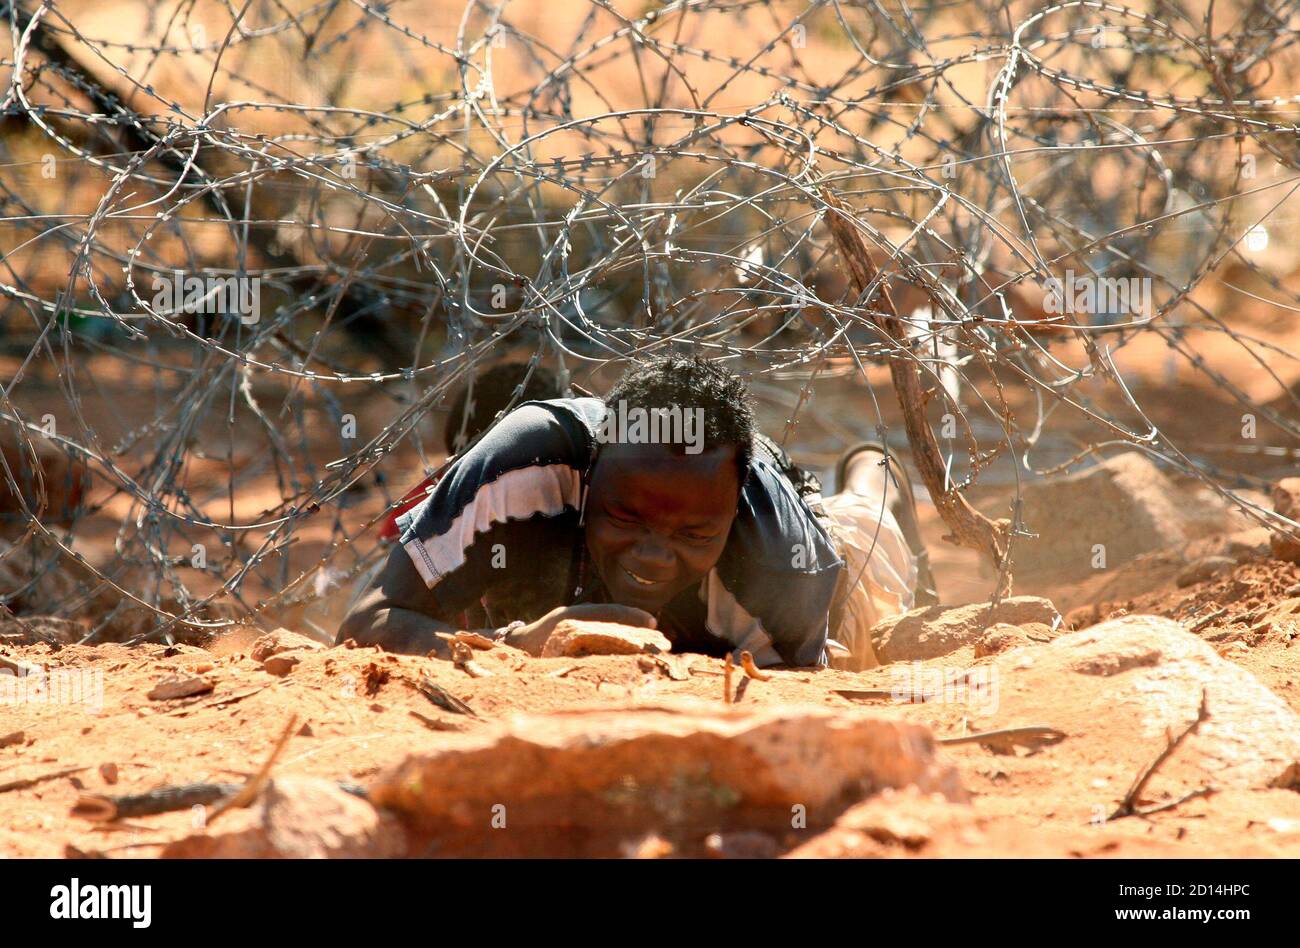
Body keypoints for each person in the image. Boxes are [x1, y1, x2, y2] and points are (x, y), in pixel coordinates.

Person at [339, 354, 932, 668]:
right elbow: (368, 621)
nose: (652, 555)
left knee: (863, 520)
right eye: (626, 519)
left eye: (694, 532)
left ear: (730, 511)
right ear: (590, 471)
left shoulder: (784, 563)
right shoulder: (522, 465)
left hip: (823, 540)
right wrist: (518, 645)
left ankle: (878, 465)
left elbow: (792, 704)